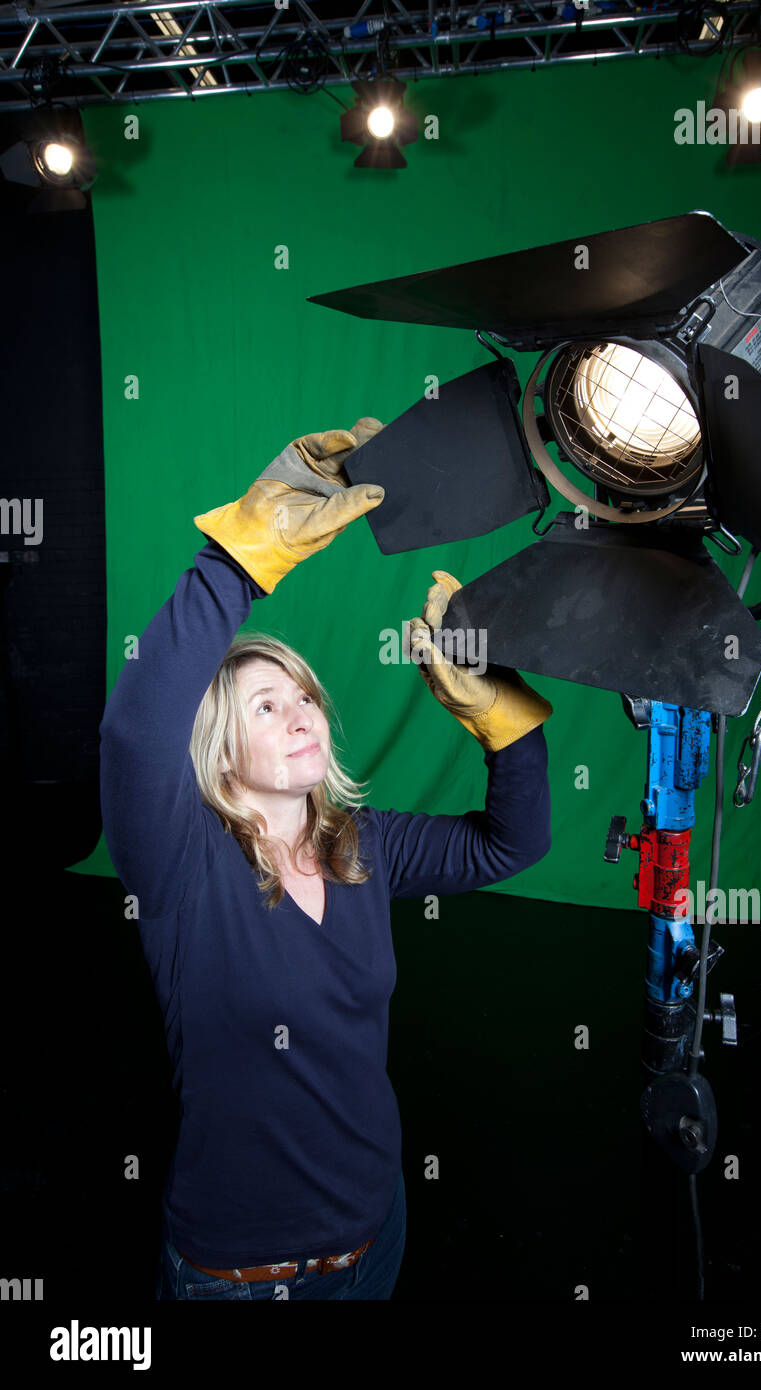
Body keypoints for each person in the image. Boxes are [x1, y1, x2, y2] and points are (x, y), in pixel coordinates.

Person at [99, 418, 553, 1300]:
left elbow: (513, 842)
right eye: (264, 707)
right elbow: (131, 735)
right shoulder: (179, 864)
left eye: (301, 694)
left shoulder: (363, 843)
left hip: (374, 1239)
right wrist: (239, 561)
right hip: (238, 1274)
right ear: (220, 751)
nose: (300, 710)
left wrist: (503, 716)